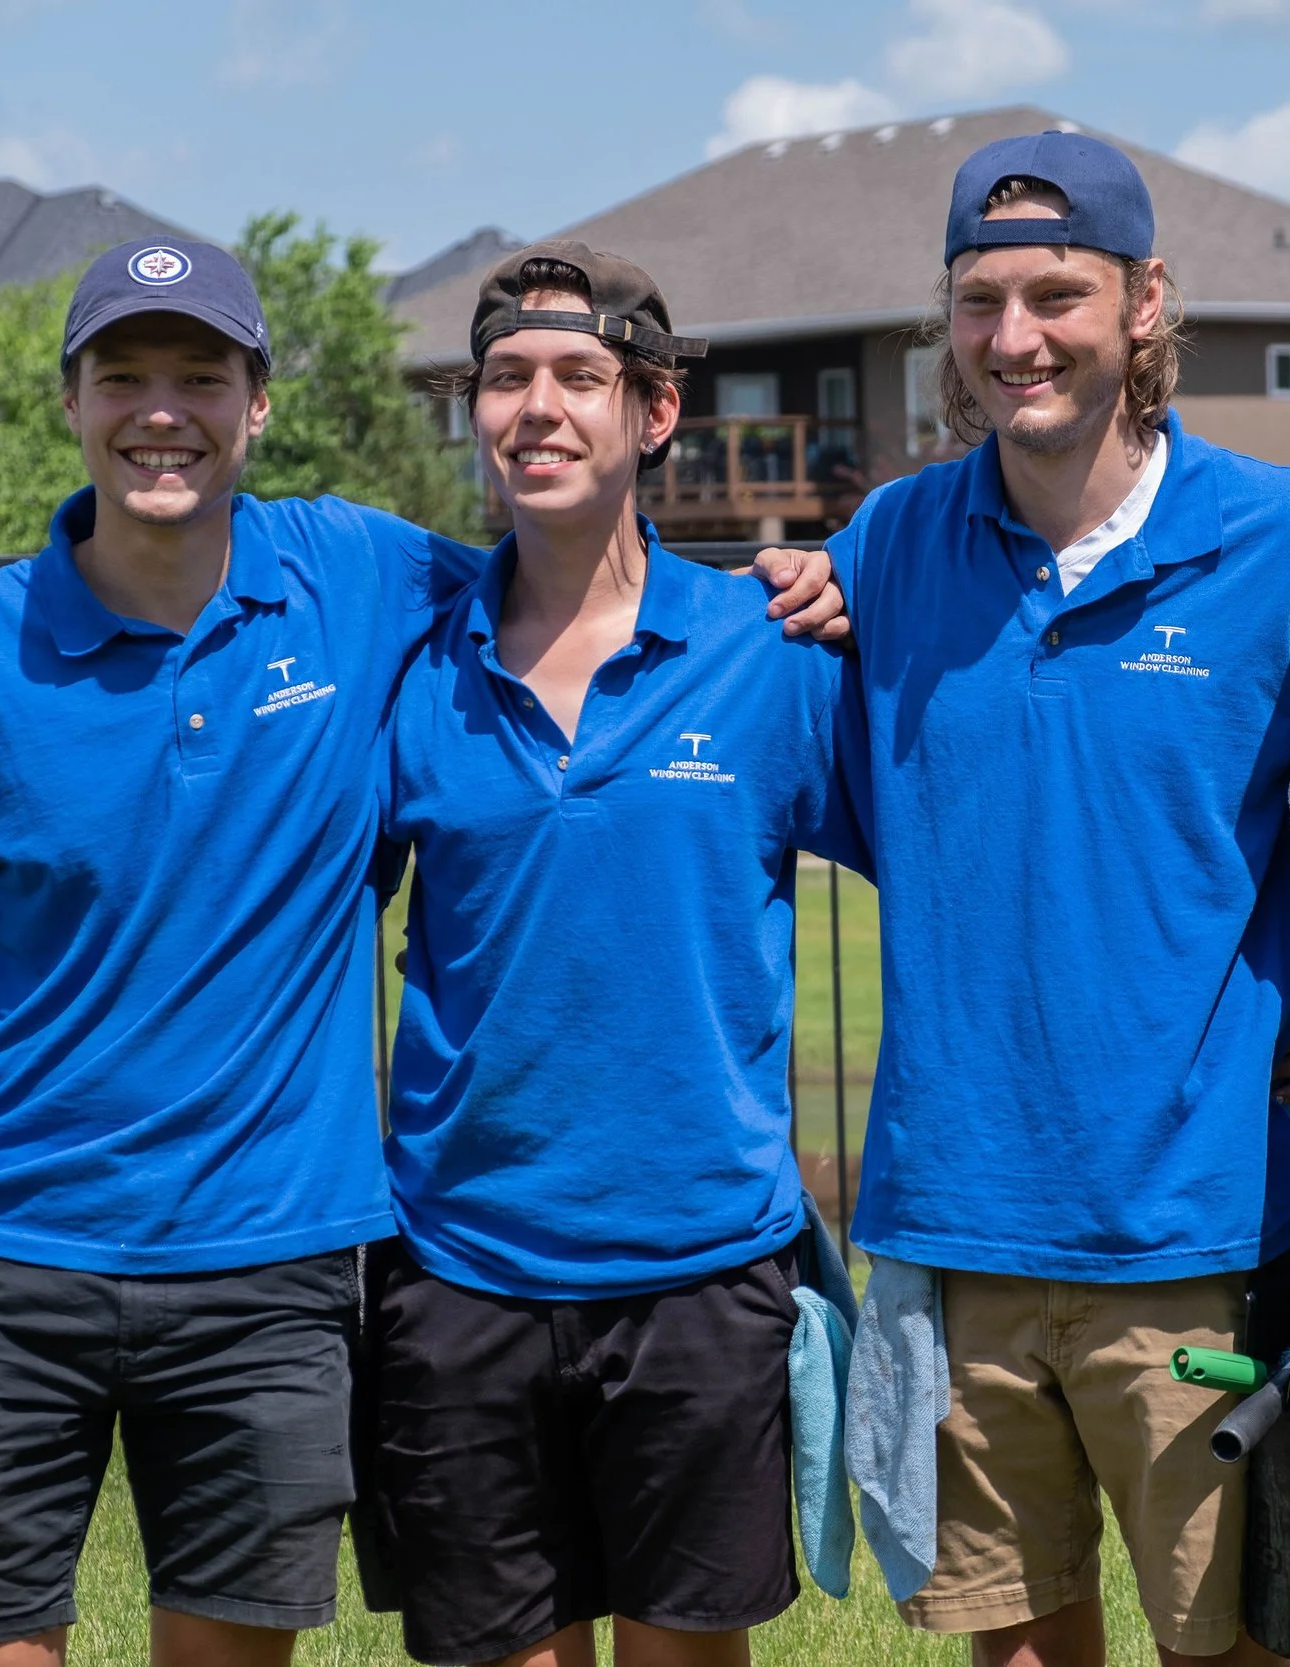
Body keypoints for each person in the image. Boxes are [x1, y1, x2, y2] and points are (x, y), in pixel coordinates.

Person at [0, 236, 841, 1667]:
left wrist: (839, 575)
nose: (160, 410)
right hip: (28, 1241)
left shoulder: (381, 585)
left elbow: (589, 581)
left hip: (283, 1261)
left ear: (258, 407)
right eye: (124, 376)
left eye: (199, 376)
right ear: (72, 401)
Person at [776, 132, 1290, 1666]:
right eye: (980, 299)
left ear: (1144, 302)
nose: (1015, 338)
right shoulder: (896, 546)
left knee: (1225, 1643)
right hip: (951, 1227)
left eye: (1057, 292)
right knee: (1017, 1649)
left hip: (1192, 1225)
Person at [355, 241, 865, 1667]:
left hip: (701, 1270)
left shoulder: (768, 648)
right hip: (461, 1271)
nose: (539, 408)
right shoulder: (415, 662)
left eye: (581, 377)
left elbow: (961, 856)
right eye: (506, 378)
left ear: (655, 412)